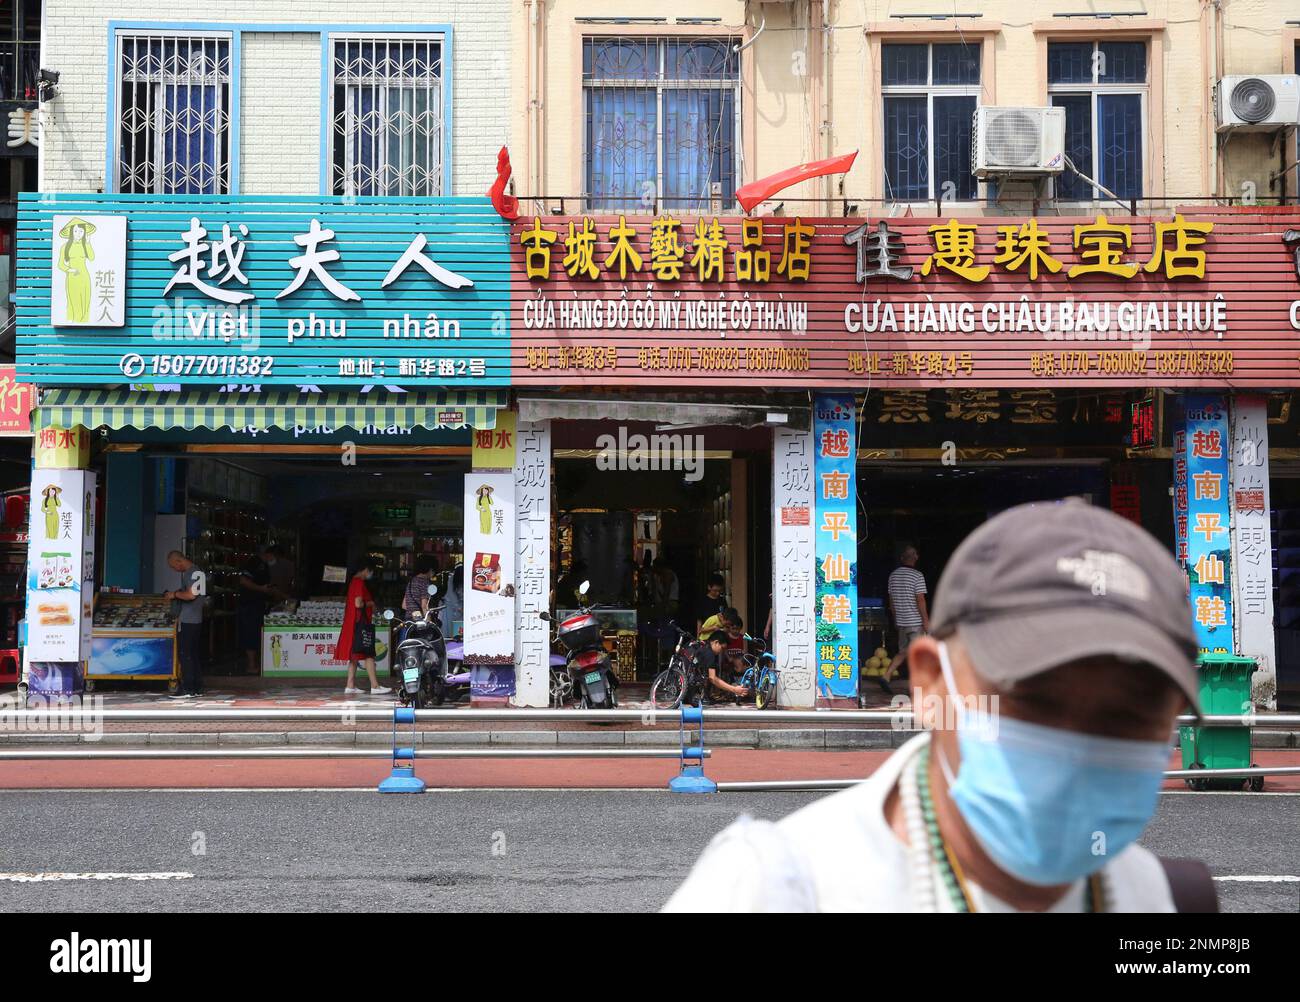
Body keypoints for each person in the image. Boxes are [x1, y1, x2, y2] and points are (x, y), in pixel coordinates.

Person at [664, 501, 1212, 913]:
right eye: (1034, 699)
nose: (1080, 746)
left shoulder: (1164, 899)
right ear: (930, 685)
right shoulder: (773, 889)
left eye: (1131, 714)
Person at [335, 561, 390, 696]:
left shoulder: (353, 582)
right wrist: (371, 603)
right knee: (368, 653)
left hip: (353, 623)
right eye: (370, 571)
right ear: (365, 569)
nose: (370, 574)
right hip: (360, 623)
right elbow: (358, 603)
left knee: (354, 656)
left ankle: (350, 685)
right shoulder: (359, 582)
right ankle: (375, 686)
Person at [883, 543, 929, 691]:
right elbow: (920, 600)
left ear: (902, 558)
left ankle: (886, 676)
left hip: (902, 622)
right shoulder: (917, 576)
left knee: (903, 652)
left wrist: (896, 619)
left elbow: (891, 601)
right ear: (915, 557)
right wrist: (926, 621)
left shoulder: (893, 576)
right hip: (915, 622)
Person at [163, 550, 208, 698]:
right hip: (196, 618)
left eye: (173, 567)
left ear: (178, 561)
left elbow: (191, 595)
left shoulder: (192, 573)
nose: (174, 570)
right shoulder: (198, 572)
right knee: (193, 654)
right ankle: (197, 687)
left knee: (186, 654)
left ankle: (188, 688)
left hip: (189, 619)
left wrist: (174, 594)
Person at [237, 545, 279, 676]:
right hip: (249, 604)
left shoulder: (264, 565)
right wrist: (261, 589)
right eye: (274, 556)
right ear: (267, 554)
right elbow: (243, 580)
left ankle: (257, 663)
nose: (275, 559)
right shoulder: (254, 562)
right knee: (251, 633)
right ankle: (251, 665)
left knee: (256, 633)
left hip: (258, 604)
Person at [701, 630, 749, 704]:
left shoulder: (703, 645)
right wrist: (734, 689)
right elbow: (712, 678)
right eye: (722, 648)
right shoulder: (709, 653)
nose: (722, 651)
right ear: (716, 642)